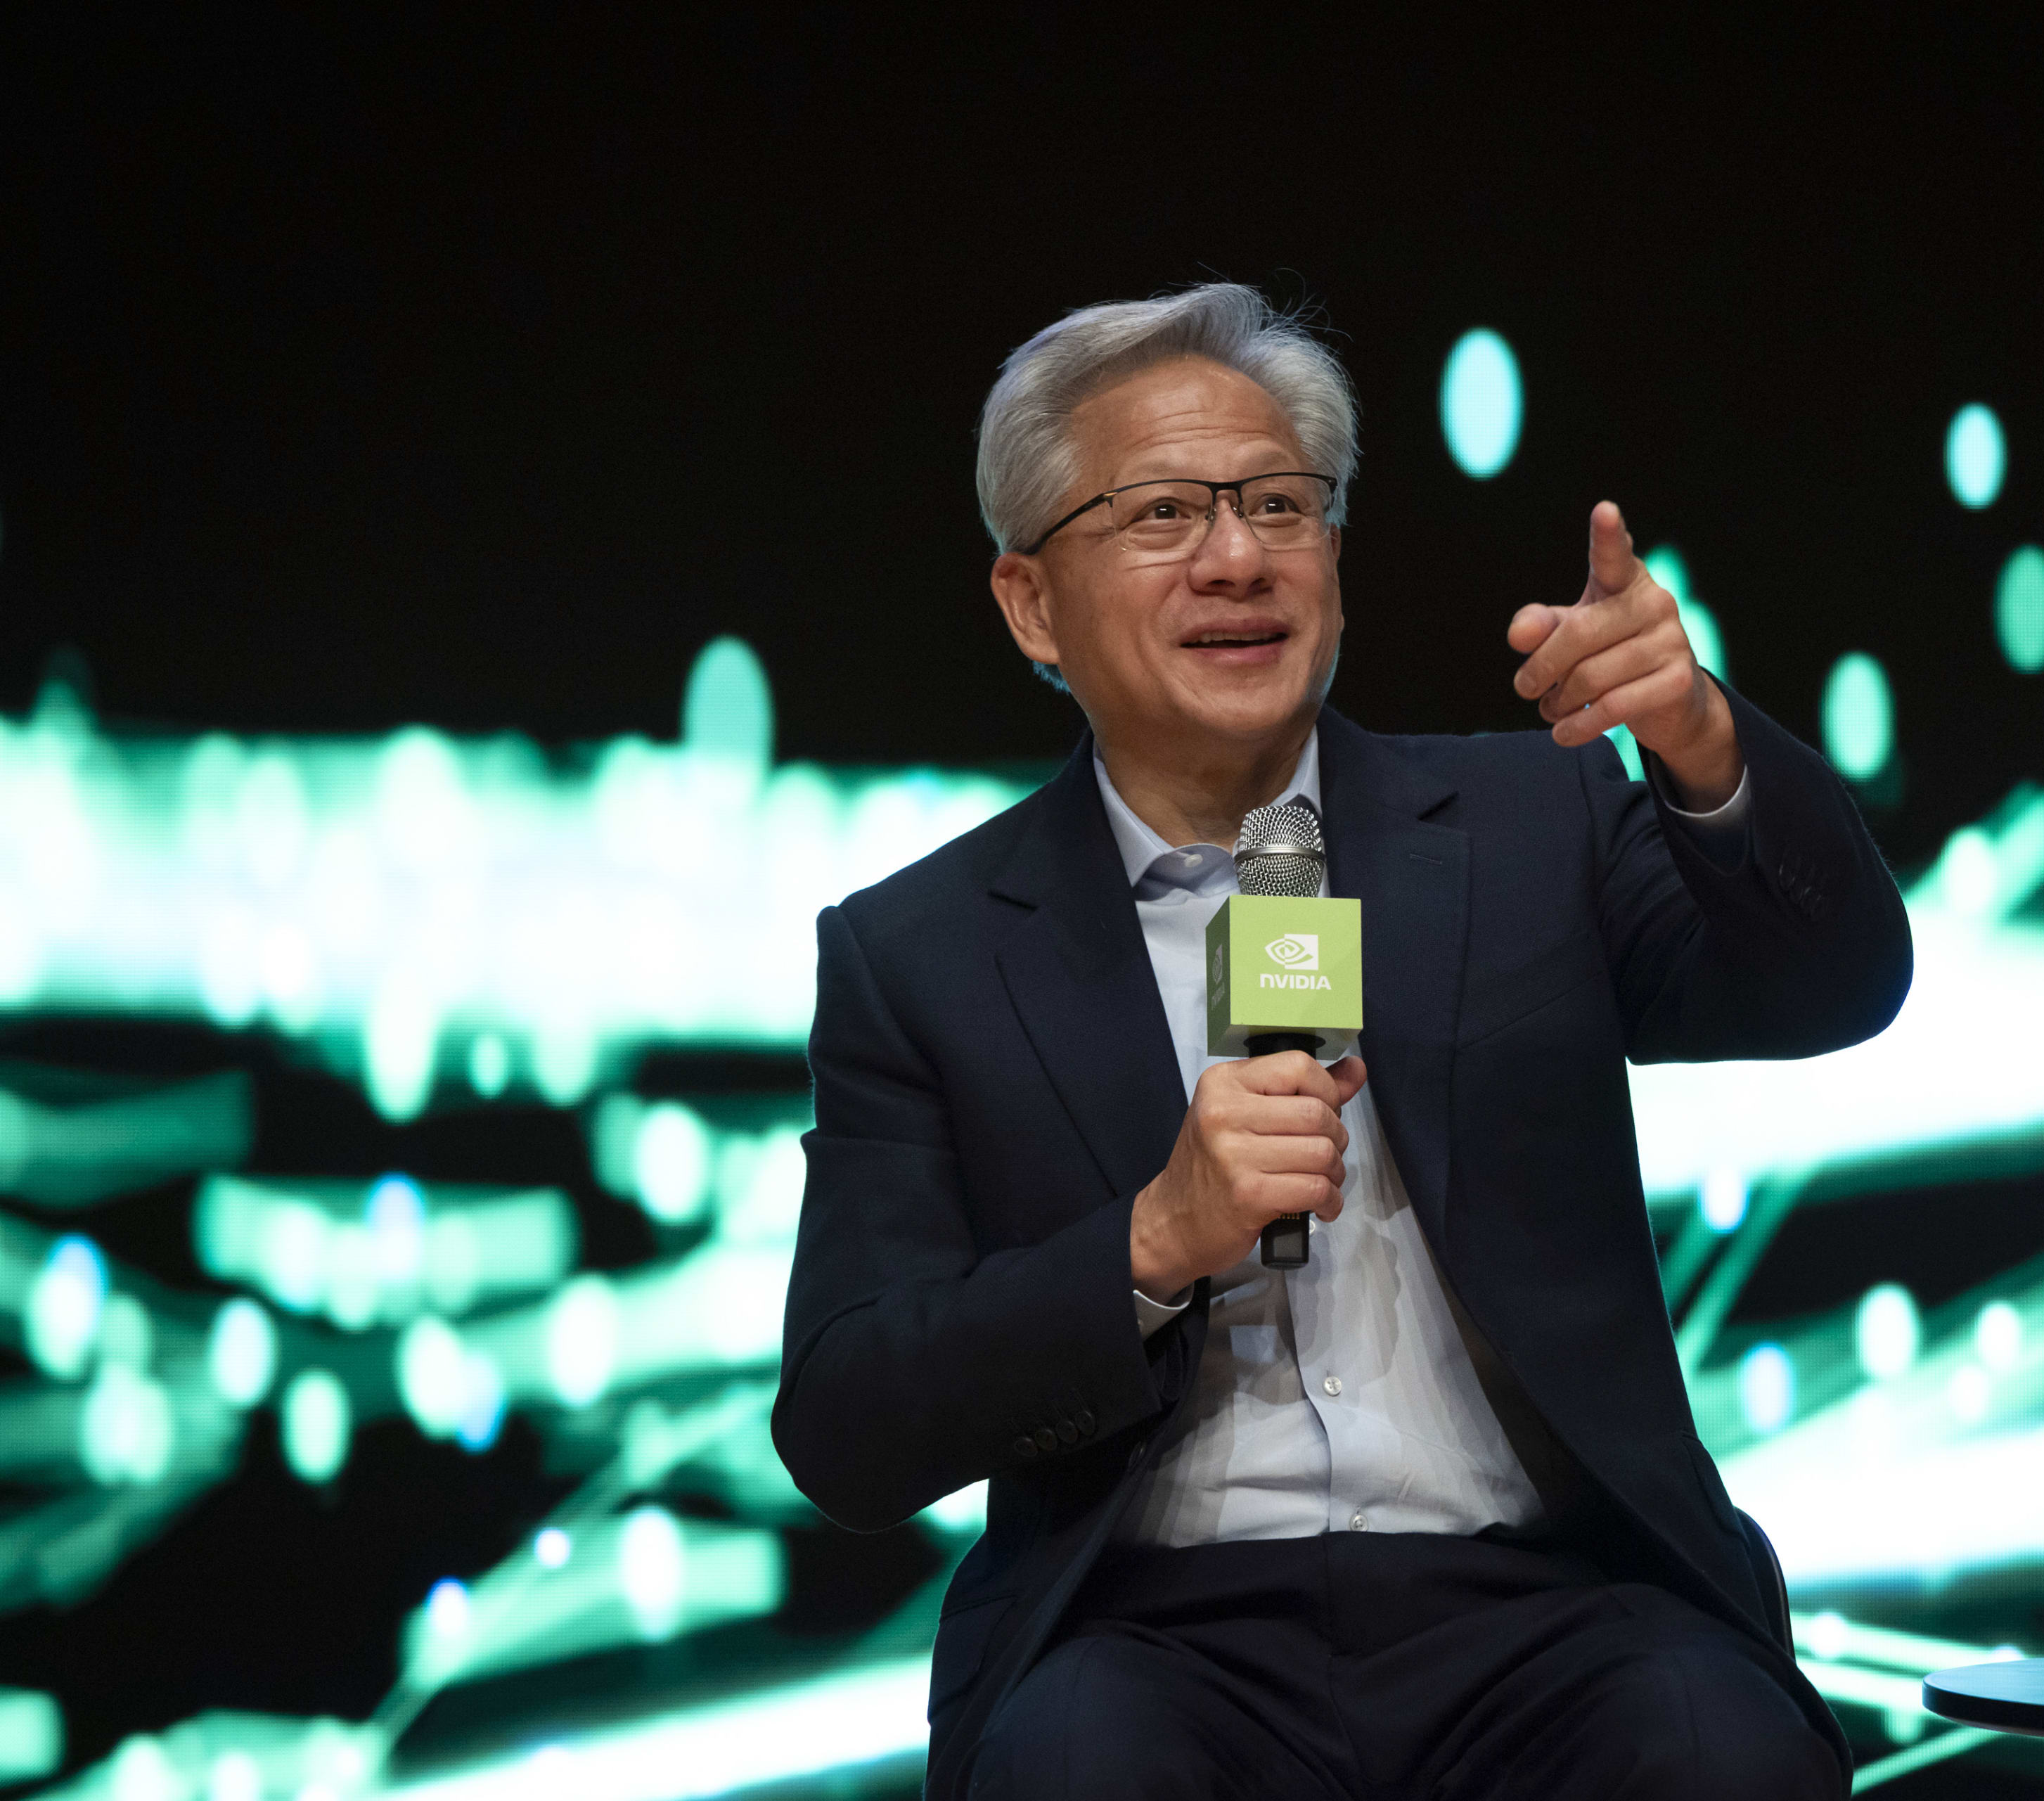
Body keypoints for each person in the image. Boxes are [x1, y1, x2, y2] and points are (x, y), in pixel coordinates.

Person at [774, 283, 1912, 1800]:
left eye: (1279, 503)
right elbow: (849, 1422)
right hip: (1152, 1638)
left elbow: (1838, 982)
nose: (1238, 557)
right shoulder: (920, 953)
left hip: (1553, 1610)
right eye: (1163, 511)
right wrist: (1151, 1242)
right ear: (1031, 602)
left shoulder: (1529, 823)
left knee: (1722, 1755)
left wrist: (1702, 743)